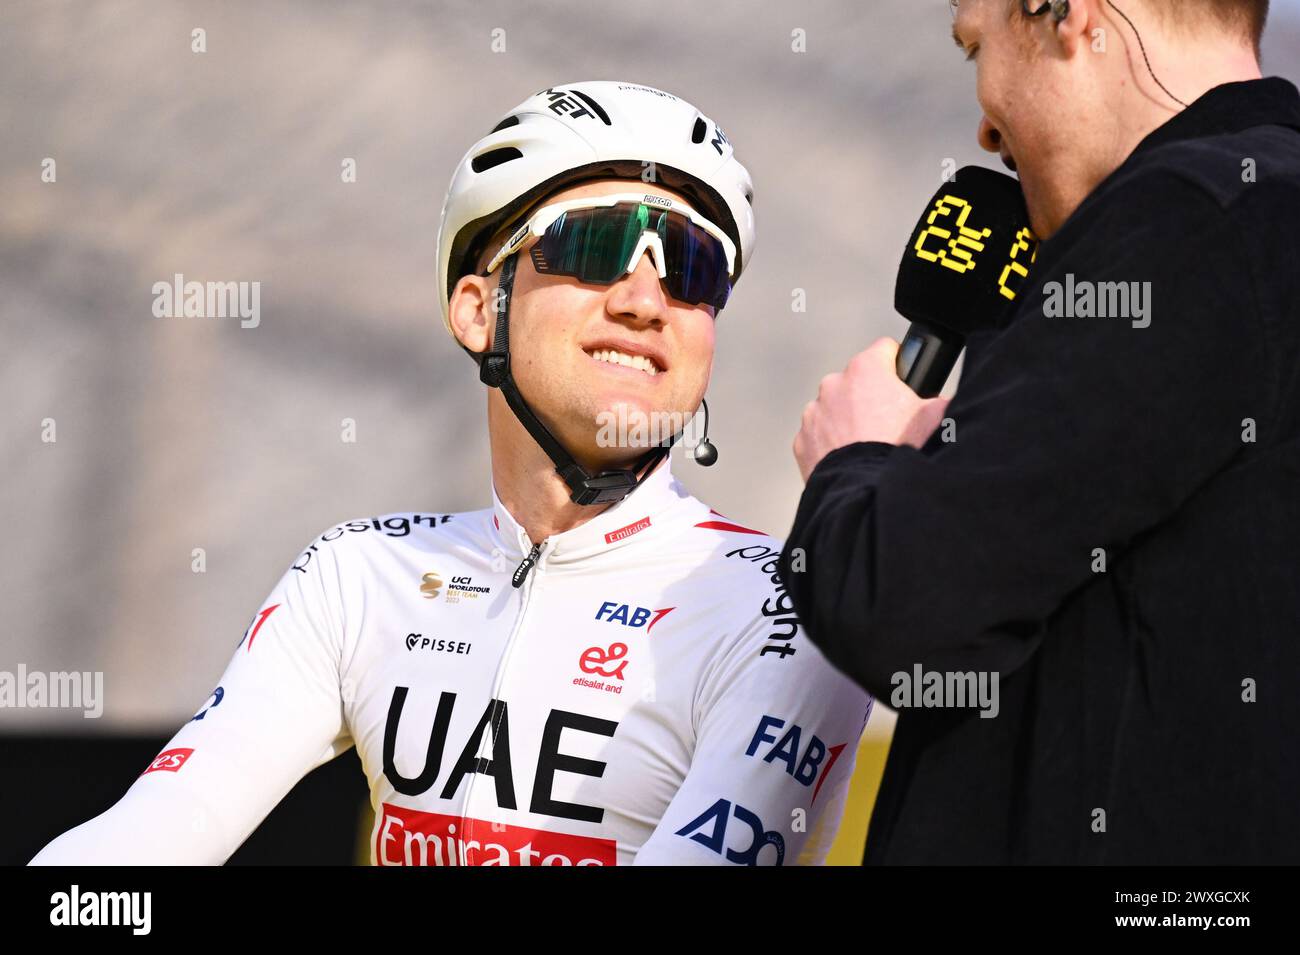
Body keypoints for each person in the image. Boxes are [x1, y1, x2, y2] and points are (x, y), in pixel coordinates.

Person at [31, 81, 872, 867]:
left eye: (692, 267)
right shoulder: (357, 576)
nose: (645, 300)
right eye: (596, 243)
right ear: (479, 310)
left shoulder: (789, 606)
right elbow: (144, 843)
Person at [780, 0, 1300, 864]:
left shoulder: (1187, 220)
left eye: (975, 47)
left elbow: (904, 604)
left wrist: (857, 460)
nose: (984, 125)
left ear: (1068, 16)